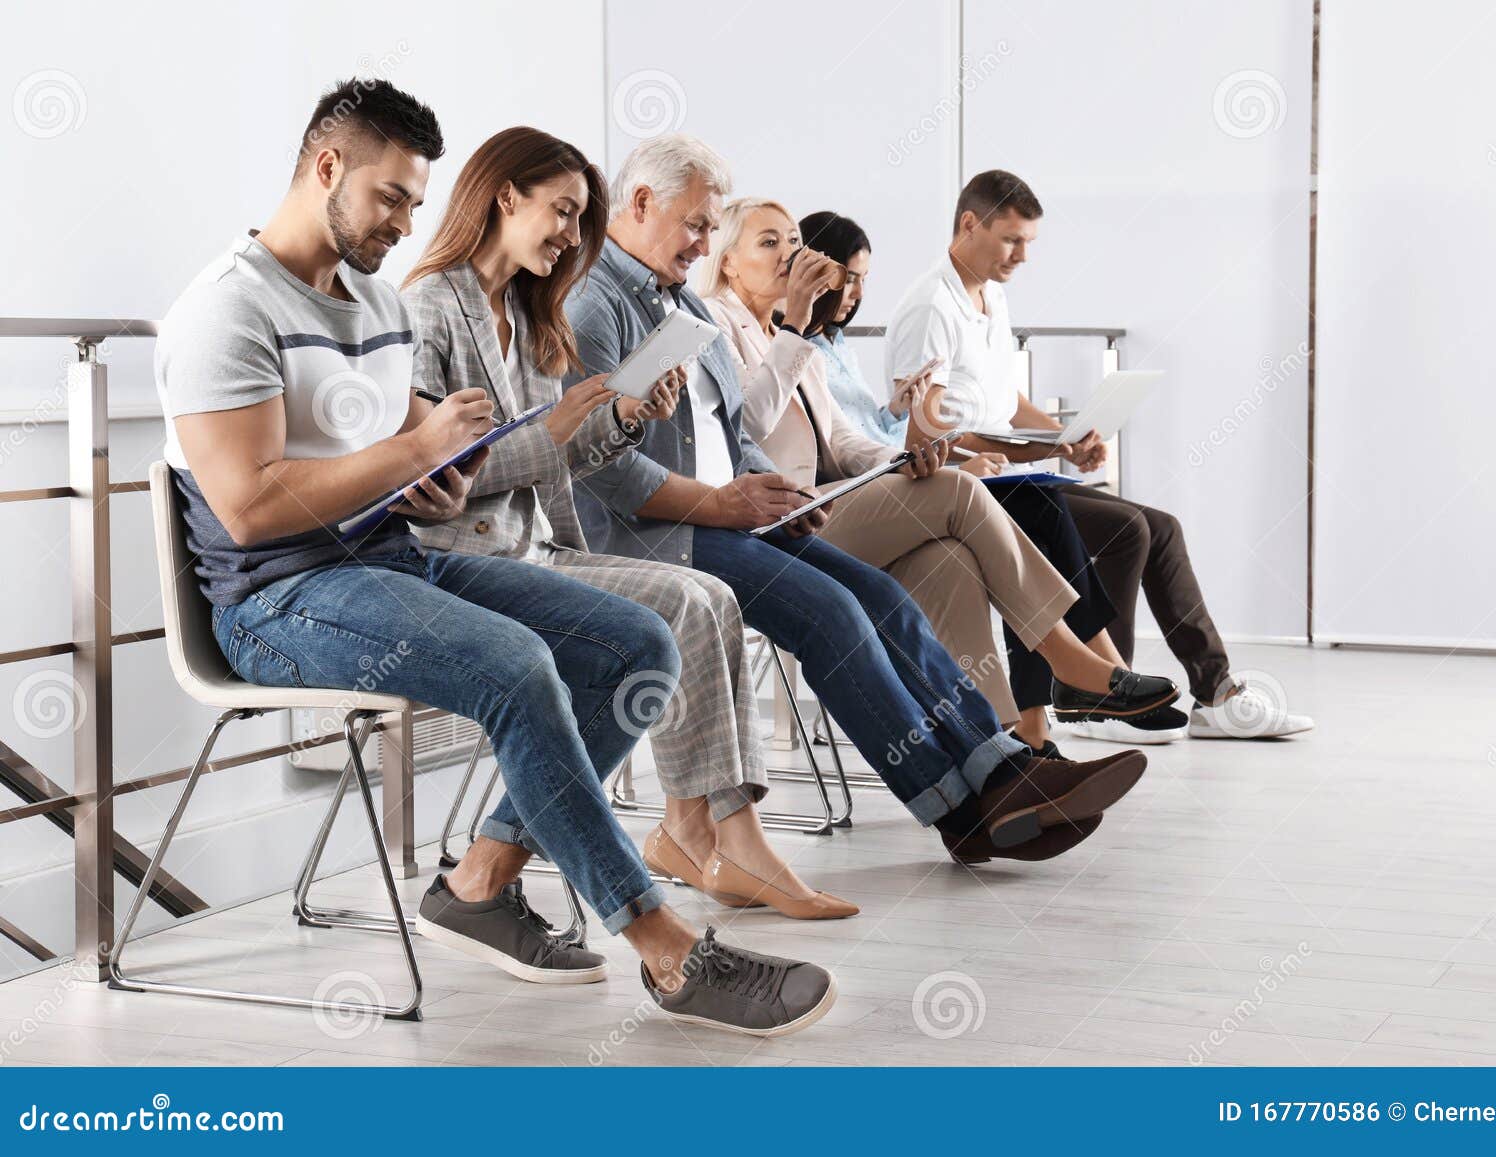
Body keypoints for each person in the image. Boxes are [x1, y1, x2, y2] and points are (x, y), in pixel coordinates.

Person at [153, 79, 835, 1037]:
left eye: (416, 202)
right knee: (520, 666)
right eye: (389, 197)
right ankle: (667, 949)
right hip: (280, 599)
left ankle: (479, 883)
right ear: (325, 168)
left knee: (639, 643)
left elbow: (392, 454)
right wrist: (416, 453)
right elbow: (251, 507)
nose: (405, 221)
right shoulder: (225, 311)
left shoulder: (371, 302)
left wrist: (424, 477)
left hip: (389, 560)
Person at [565, 133, 1150, 867]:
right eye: (697, 225)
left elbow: (733, 434)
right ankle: (958, 803)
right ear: (642, 203)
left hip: (734, 515)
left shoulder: (682, 306)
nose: (704, 242)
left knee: (885, 597)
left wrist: (776, 493)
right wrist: (728, 504)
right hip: (659, 533)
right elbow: (601, 473)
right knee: (834, 614)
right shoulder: (594, 308)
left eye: (712, 227)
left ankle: (999, 766)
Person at [400, 127, 853, 920]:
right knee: (681, 604)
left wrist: (627, 419)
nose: (576, 237)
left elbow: (561, 462)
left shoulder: (532, 312)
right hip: (457, 558)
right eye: (564, 213)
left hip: (534, 548)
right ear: (505, 197)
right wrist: (558, 434)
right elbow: (431, 479)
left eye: (583, 219)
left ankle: (723, 833)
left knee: (705, 593)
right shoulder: (429, 307)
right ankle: (699, 838)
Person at [700, 197, 1178, 747]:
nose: (787, 253)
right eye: (768, 242)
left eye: (790, 240)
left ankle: (1000, 744)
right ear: (729, 261)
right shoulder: (720, 323)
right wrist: (799, 329)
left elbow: (841, 440)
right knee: (960, 488)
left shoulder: (785, 334)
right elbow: (748, 424)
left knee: (948, 560)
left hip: (826, 505)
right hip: (775, 523)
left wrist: (900, 462)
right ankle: (1067, 658)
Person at [884, 170, 1316, 743]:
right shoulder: (929, 307)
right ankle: (1108, 697)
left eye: (1029, 243)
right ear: (969, 224)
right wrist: (1037, 447)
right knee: (1125, 529)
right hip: (961, 487)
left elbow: (1002, 400)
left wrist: (1065, 435)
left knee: (1160, 527)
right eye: (1012, 239)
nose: (1022, 256)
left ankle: (1215, 695)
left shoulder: (993, 295)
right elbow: (930, 428)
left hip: (1008, 471)